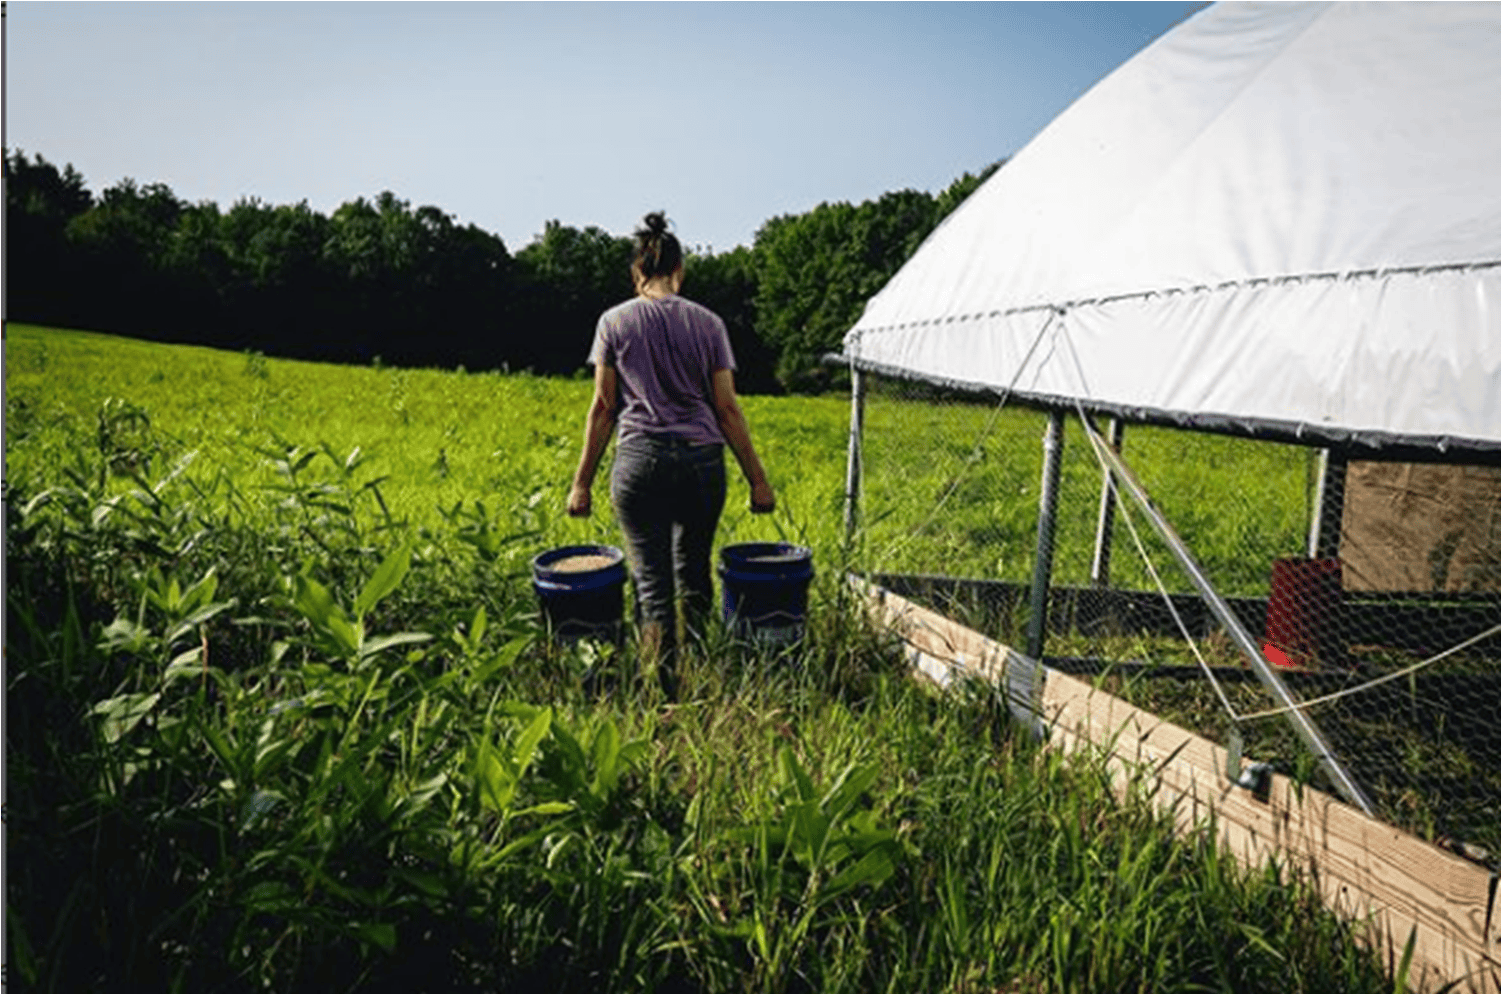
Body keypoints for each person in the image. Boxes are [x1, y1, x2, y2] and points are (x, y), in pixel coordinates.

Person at [567, 211, 775, 698]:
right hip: (703, 463)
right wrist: (758, 482)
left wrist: (581, 483)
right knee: (694, 571)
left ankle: (661, 690)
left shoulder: (613, 322)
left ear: (637, 274)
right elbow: (726, 408)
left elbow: (603, 408)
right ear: (678, 272)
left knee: (651, 581)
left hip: (640, 463)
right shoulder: (710, 325)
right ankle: (703, 672)